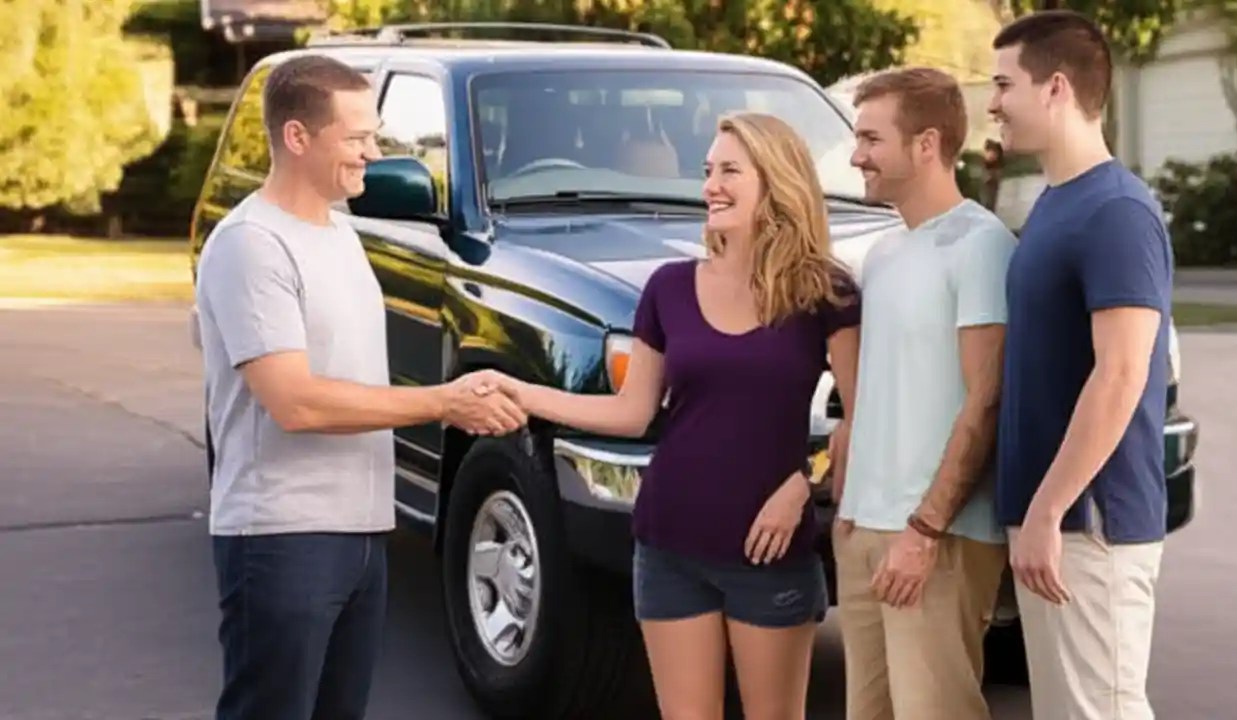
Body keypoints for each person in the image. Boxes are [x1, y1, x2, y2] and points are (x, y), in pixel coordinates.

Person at [471, 112, 861, 720]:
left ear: (777, 179)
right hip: (667, 545)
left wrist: (804, 489)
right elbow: (632, 412)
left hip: (769, 552)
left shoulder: (826, 293)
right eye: (708, 171)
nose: (710, 186)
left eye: (730, 171)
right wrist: (521, 394)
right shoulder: (669, 288)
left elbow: (861, 419)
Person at [194, 55, 526, 720]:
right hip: (282, 537)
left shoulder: (341, 233)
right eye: (357, 138)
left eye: (374, 136)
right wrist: (443, 403)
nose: (374, 154)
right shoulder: (252, 245)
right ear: (297, 137)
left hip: (361, 531)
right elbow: (295, 401)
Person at [989, 11, 1174, 720]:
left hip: (1091, 527)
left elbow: (1122, 373)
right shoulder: (1055, 205)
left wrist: (1048, 509)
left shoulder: (1118, 212)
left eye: (1004, 84)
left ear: (1056, 88)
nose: (994, 103)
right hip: (1054, 524)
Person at [834, 67, 1016, 720]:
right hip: (865, 530)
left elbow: (984, 403)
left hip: (935, 537)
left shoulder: (982, 247)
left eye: (871, 139)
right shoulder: (883, 253)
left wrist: (924, 528)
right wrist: (850, 505)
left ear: (927, 144)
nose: (856, 156)